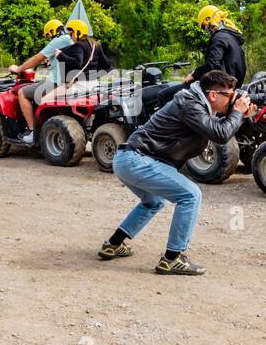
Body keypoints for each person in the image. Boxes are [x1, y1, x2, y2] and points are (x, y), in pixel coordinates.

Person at [99, 69, 251, 276]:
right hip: (137, 159)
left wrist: (240, 115)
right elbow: (221, 134)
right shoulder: (190, 104)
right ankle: (173, 258)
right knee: (190, 195)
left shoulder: (196, 103)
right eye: (230, 96)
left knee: (153, 202)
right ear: (213, 95)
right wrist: (237, 113)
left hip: (131, 159)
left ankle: (114, 244)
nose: (232, 101)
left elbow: (220, 128)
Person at [7, 19, 73, 140]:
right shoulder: (72, 39)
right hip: (73, 83)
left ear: (52, 31)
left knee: (23, 93)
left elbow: (37, 58)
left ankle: (31, 131)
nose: (49, 38)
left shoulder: (58, 40)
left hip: (57, 84)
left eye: (48, 35)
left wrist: (19, 69)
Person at [186, 5, 246, 87]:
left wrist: (194, 75)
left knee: (163, 94)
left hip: (221, 86)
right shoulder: (231, 37)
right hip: (232, 84)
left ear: (208, 19)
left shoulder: (219, 37)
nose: (205, 30)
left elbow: (212, 64)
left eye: (204, 26)